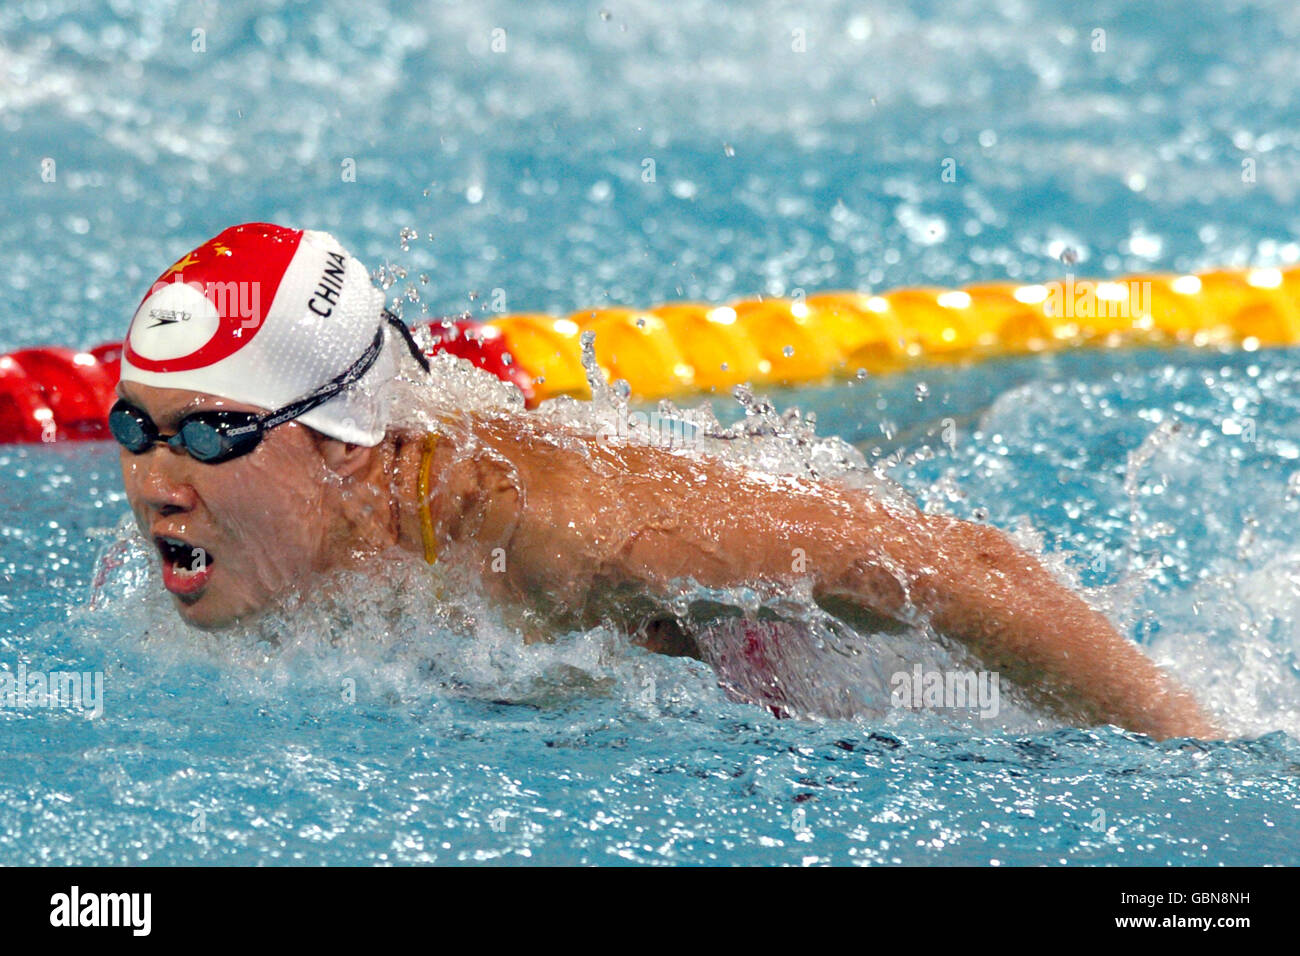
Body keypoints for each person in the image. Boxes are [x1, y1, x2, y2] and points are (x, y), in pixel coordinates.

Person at [110, 222, 1220, 740]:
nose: (156, 479)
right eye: (132, 426)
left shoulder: (567, 540)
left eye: (210, 436)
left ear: (347, 439)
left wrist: (1194, 756)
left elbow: (964, 564)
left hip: (868, 703)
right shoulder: (276, 543)